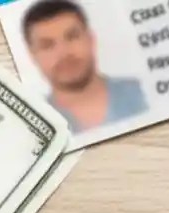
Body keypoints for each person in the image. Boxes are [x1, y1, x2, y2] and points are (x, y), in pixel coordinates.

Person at [22, 0, 147, 133]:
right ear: (32, 55)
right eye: (47, 45)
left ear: (91, 39)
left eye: (72, 37)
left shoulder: (144, 93)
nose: (63, 53)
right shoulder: (35, 128)